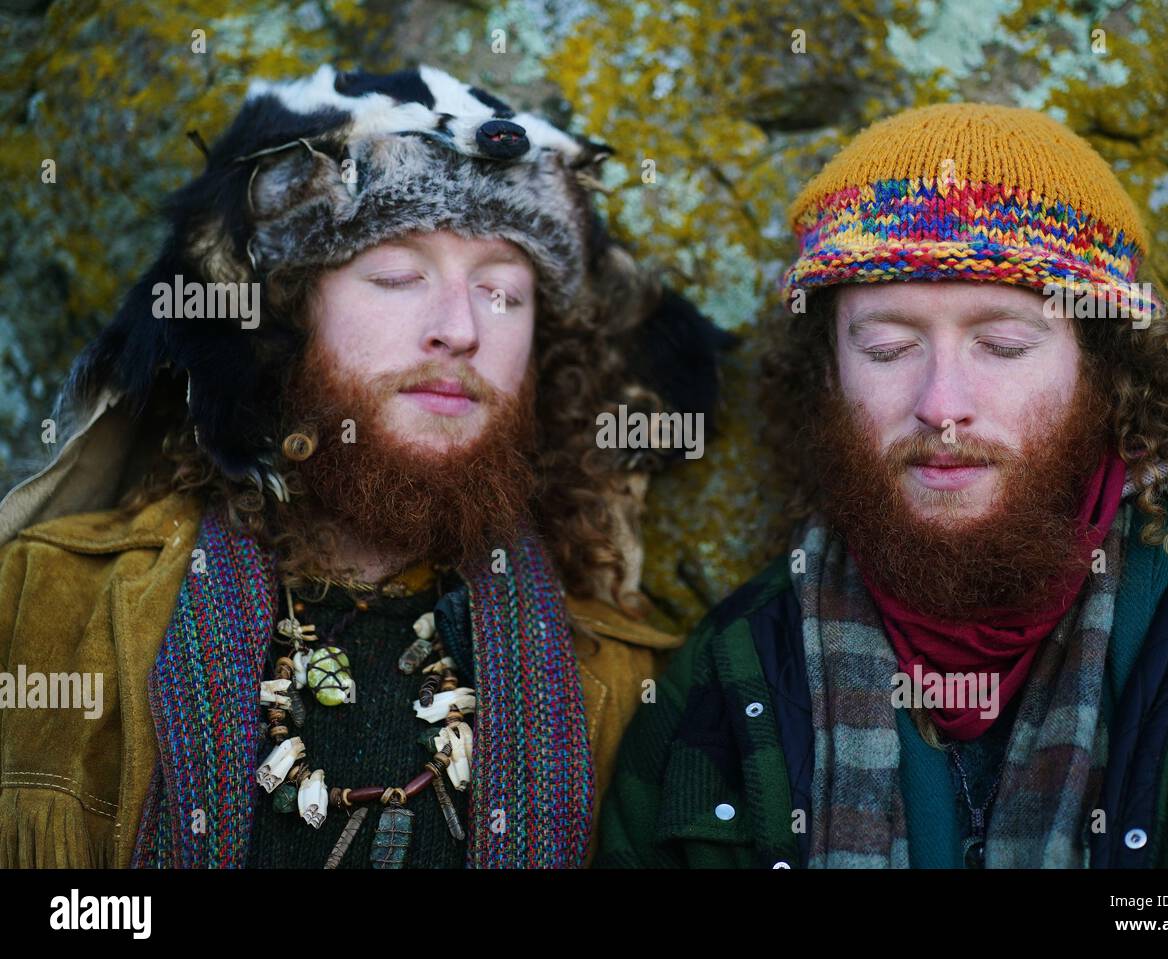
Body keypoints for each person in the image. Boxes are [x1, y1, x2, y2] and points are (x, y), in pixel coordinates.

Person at [0, 63, 726, 869]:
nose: (459, 329)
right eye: (395, 276)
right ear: (285, 313)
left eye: (502, 293)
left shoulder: (630, 686)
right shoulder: (47, 610)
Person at [598, 102, 1168, 869]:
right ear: (827, 374)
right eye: (888, 347)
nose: (941, 405)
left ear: (1105, 369)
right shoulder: (721, 685)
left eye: (1002, 344)